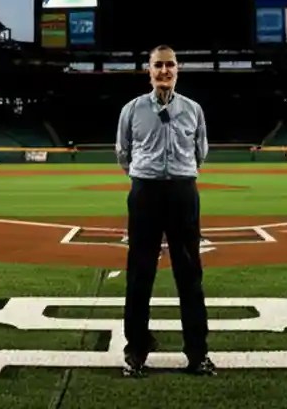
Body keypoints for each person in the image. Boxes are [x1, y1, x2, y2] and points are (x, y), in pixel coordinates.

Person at [114, 44, 215, 378]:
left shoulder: (193, 109)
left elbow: (200, 151)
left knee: (190, 276)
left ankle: (197, 353)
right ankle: (136, 351)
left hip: (183, 192)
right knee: (139, 274)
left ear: (178, 69)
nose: (164, 71)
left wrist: (178, 174)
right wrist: (148, 174)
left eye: (170, 65)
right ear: (149, 70)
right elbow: (123, 153)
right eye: (158, 65)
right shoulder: (131, 110)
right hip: (145, 193)